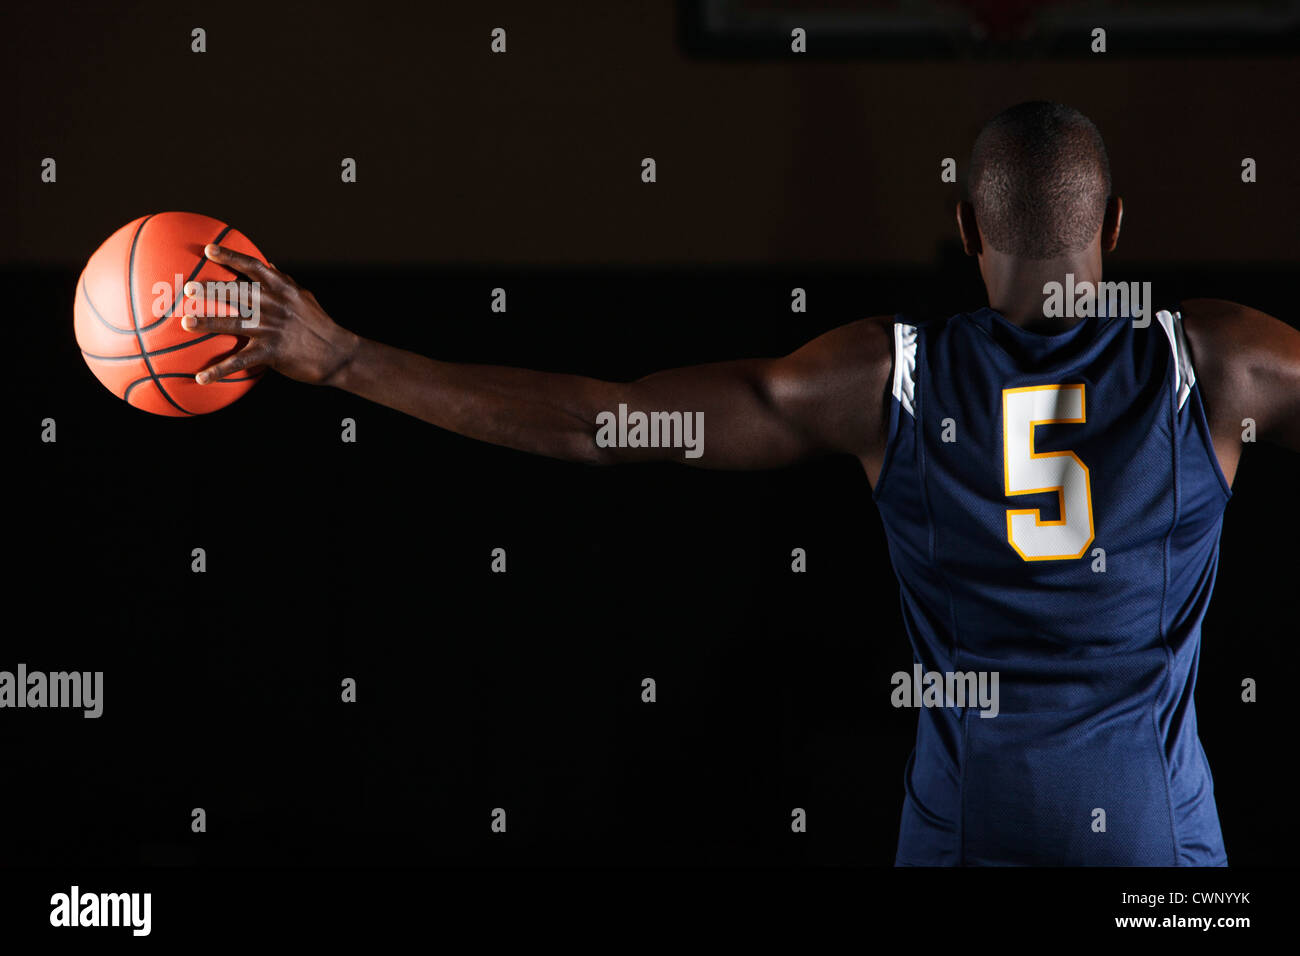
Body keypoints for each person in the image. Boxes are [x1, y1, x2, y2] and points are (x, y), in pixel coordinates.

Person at [182, 101, 1300, 865]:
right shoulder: (1217, 359)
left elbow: (603, 424)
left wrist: (342, 358)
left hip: (966, 826)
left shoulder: (884, 374)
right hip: (1155, 835)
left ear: (963, 230)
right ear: (1112, 226)